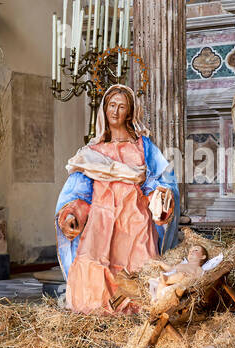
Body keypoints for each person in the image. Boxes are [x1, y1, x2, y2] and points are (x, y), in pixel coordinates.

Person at [56, 84, 177, 313]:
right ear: (104, 110)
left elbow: (158, 181)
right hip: (100, 221)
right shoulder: (92, 152)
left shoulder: (143, 147)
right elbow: (82, 192)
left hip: (135, 219)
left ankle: (138, 317)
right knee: (93, 265)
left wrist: (161, 200)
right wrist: (72, 214)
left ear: (129, 113)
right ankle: (95, 315)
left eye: (121, 107)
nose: (115, 111)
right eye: (111, 105)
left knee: (139, 268)